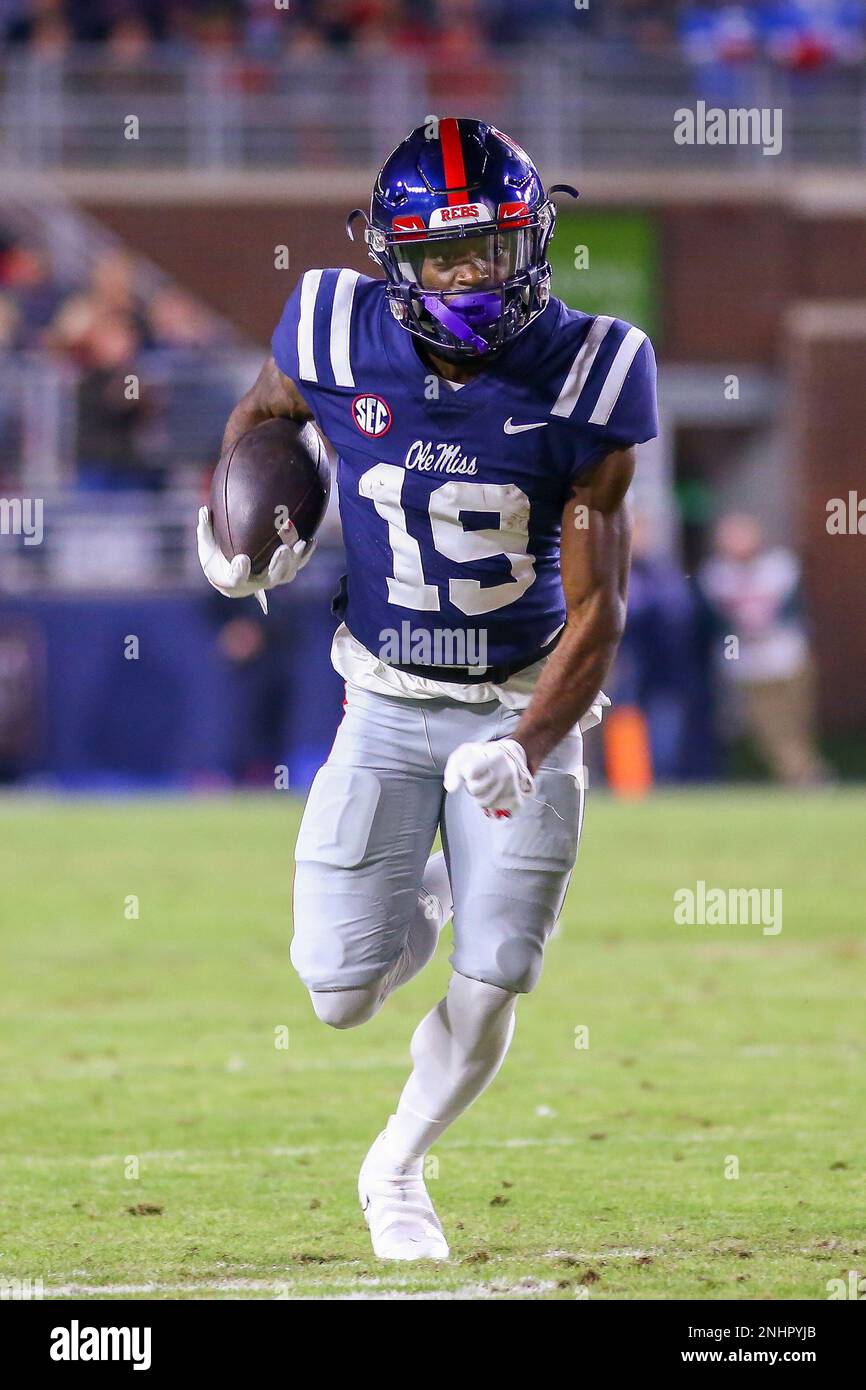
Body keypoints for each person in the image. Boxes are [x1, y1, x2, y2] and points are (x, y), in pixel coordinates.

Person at [197, 118, 658, 1260]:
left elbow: (599, 604)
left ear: (533, 243)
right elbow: (262, 415)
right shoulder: (329, 329)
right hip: (389, 698)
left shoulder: (594, 369)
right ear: (391, 260)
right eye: (443, 255)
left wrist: (533, 741)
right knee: (337, 989)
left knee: (499, 968)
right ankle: (445, 881)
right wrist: (238, 522)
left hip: (520, 701)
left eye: (490, 249)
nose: (468, 276)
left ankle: (396, 1167)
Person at [700, 512, 827, 786]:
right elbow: (719, 626)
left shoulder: (780, 567)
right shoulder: (716, 576)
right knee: (768, 728)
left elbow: (796, 613)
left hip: (787, 656)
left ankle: (804, 777)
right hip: (747, 664)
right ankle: (806, 779)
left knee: (796, 725)